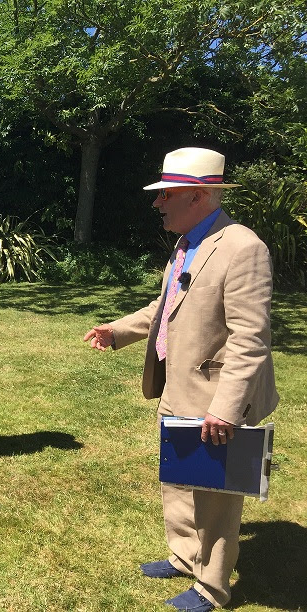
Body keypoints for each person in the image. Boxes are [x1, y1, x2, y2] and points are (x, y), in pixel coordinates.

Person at [83, 147, 278, 612]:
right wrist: (118, 331)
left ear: (199, 194)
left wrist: (225, 408)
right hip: (178, 388)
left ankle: (212, 587)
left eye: (165, 194)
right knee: (178, 481)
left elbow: (250, 340)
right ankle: (185, 554)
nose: (157, 204)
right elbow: (165, 306)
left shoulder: (243, 248)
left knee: (216, 497)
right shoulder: (187, 242)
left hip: (217, 398)